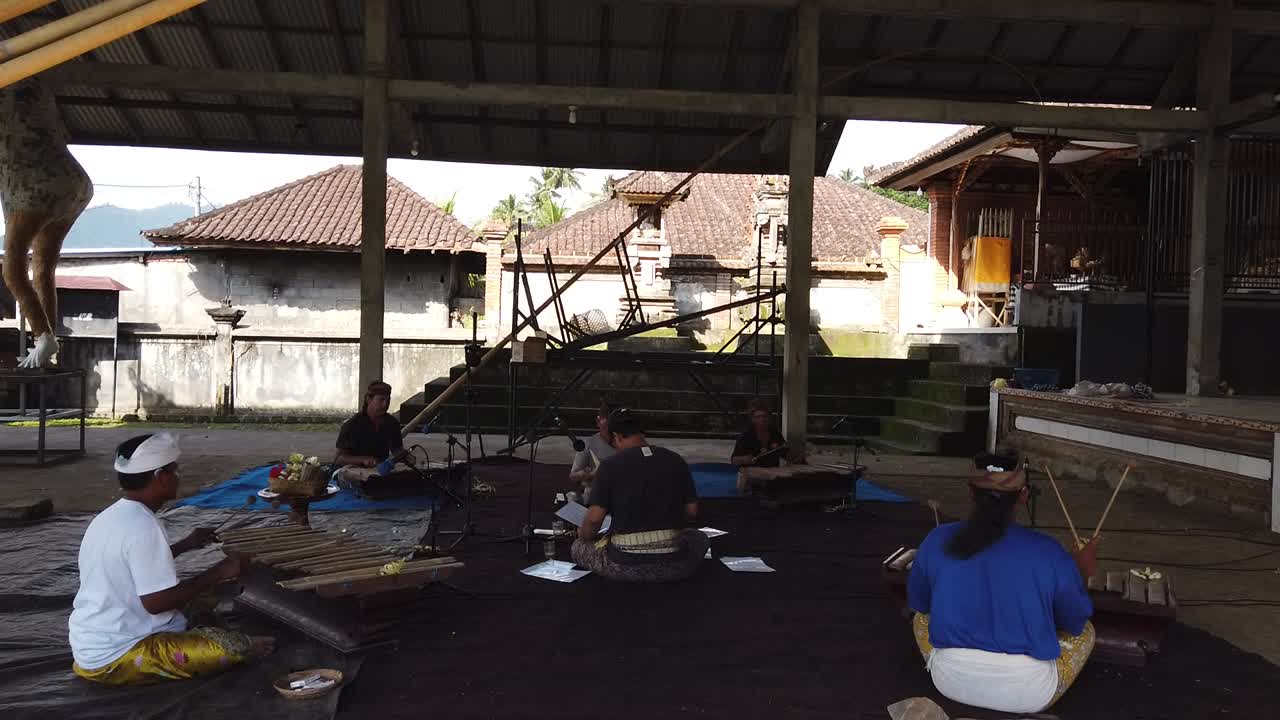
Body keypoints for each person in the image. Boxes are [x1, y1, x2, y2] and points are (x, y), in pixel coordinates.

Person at [69, 433, 275, 685]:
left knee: (202, 595)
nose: (179, 476)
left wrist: (186, 544)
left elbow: (133, 564)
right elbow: (157, 603)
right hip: (116, 656)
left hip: (94, 640)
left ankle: (201, 627)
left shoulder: (112, 516)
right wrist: (219, 571)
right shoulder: (144, 527)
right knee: (232, 647)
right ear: (160, 476)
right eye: (175, 471)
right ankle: (241, 646)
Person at [906, 453, 1097, 714]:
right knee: (1086, 631)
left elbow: (920, 603)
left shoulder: (937, 538)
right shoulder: (1049, 551)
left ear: (971, 491)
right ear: (1024, 495)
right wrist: (1081, 571)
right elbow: (1073, 622)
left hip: (950, 682)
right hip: (1030, 692)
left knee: (920, 618)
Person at [571, 408, 708, 582]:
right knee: (700, 538)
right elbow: (692, 511)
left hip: (624, 564)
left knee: (578, 546)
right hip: (675, 564)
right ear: (642, 432)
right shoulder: (676, 460)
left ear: (617, 436)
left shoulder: (609, 466)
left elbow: (594, 520)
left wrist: (583, 535)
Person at [335, 380, 410, 469]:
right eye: (381, 400)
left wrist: (405, 456)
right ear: (369, 399)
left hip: (380, 471)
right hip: (352, 471)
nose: (385, 404)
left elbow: (396, 449)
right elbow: (339, 459)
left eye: (388, 400)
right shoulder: (352, 425)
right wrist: (363, 459)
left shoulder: (392, 423)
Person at [568, 401, 618, 500]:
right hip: (595, 496)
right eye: (608, 426)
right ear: (598, 422)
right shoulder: (589, 443)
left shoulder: (628, 443)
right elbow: (573, 476)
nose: (611, 431)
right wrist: (588, 475)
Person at [730, 398, 791, 468]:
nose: (762, 420)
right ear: (753, 419)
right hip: (751, 472)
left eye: (765, 416)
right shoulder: (745, 436)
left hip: (772, 472)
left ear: (769, 417)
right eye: (758, 417)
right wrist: (744, 459)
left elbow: (785, 453)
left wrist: (795, 456)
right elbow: (733, 460)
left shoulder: (775, 433)